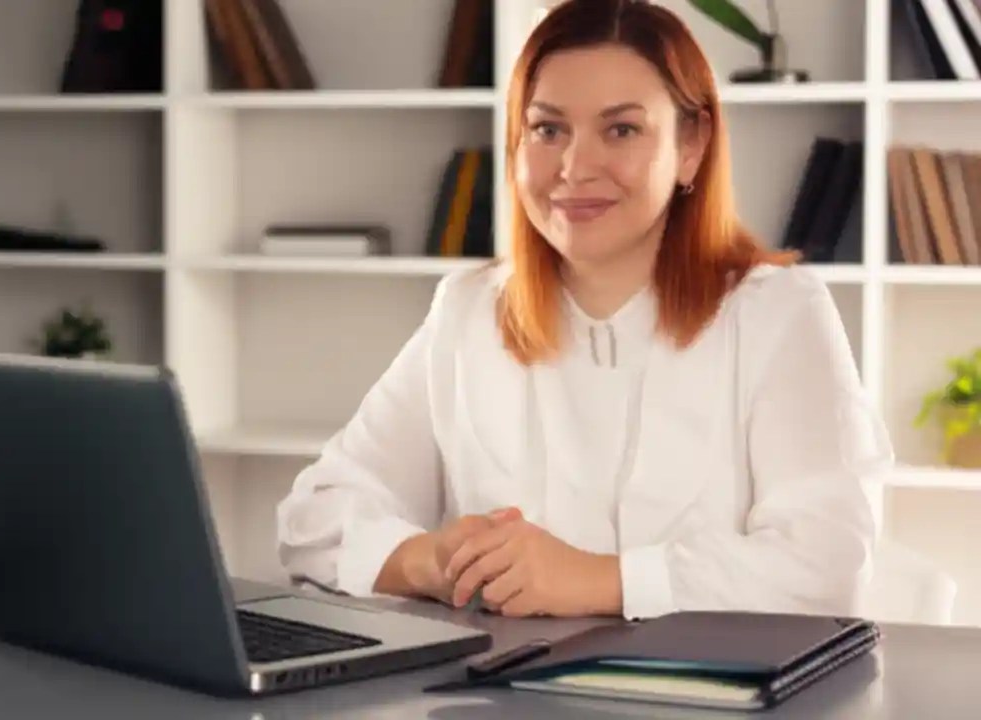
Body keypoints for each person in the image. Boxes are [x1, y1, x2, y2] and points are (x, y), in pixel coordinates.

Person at [275, 0, 893, 621]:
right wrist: (430, 562)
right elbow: (314, 519)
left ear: (692, 145)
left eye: (621, 129)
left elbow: (826, 566)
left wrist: (601, 581)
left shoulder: (778, 314)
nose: (573, 168)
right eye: (547, 130)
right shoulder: (468, 310)